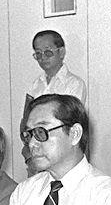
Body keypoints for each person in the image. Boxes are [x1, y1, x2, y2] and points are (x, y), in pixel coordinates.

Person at [21, 31, 87, 168]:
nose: (42, 58)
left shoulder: (74, 84)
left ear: (61, 52)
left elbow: (69, 124)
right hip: (35, 154)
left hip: (62, 156)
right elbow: (26, 121)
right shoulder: (35, 85)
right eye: (38, 54)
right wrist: (29, 151)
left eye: (48, 52)